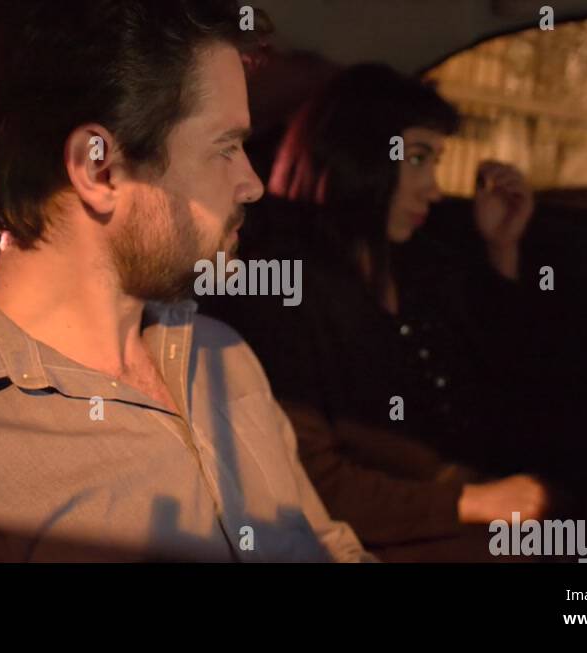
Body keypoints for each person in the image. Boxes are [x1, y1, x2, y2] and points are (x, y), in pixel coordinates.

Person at [0, 0, 373, 563]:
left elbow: (328, 546)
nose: (252, 184)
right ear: (98, 168)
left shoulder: (222, 354)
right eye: (223, 149)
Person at [203, 63, 553, 561]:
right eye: (418, 159)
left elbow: (498, 382)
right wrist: (468, 501)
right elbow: (309, 482)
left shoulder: (409, 262)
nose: (434, 189)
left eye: (436, 162)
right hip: (372, 533)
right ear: (357, 156)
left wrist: (501, 249)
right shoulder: (282, 290)